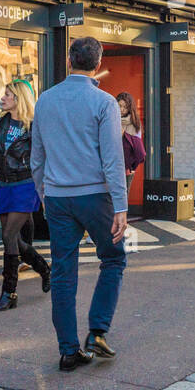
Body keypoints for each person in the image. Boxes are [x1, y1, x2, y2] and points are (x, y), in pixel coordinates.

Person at [31, 37, 128, 372]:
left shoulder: (45, 100)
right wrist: (121, 206)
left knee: (62, 272)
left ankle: (68, 351)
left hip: (58, 197)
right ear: (97, 64)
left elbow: (37, 158)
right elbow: (113, 160)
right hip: (96, 196)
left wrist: (45, 196)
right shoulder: (104, 103)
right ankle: (97, 332)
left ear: (69, 61)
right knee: (113, 258)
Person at [0, 79, 50, 311]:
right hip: (5, 185)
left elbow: (47, 156)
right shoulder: (0, 125)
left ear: (18, 98)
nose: (3, 97)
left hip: (26, 185)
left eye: (7, 94)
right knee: (15, 239)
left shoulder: (34, 126)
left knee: (8, 235)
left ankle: (9, 293)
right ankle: (45, 269)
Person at [116, 92, 146, 193]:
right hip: (112, 164)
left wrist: (134, 166)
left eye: (125, 107)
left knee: (123, 197)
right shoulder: (110, 120)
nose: (121, 109)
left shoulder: (135, 124)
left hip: (127, 168)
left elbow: (138, 149)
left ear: (130, 108)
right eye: (119, 106)